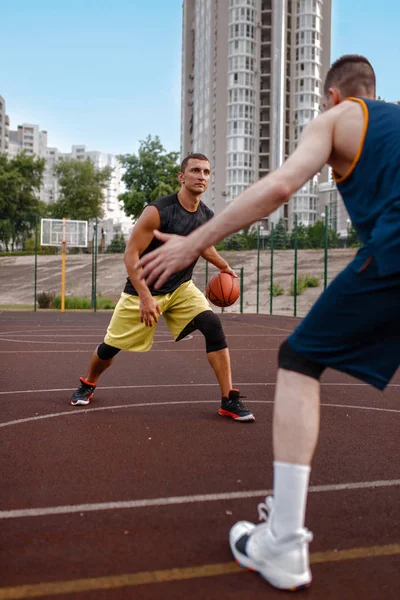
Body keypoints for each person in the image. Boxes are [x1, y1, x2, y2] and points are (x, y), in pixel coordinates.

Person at [136, 55, 400, 590]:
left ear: (332, 96)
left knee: (299, 358)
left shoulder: (338, 117)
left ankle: (281, 543)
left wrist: (194, 241)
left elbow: (281, 187)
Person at [71, 153, 255, 423]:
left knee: (213, 325)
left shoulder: (206, 215)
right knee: (110, 348)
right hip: (144, 289)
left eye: (206, 172)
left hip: (181, 288)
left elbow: (201, 244)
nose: (201, 176)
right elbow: (130, 254)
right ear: (182, 177)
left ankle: (228, 398)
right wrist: (145, 297)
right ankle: (89, 382)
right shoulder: (158, 211)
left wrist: (223, 265)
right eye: (195, 171)